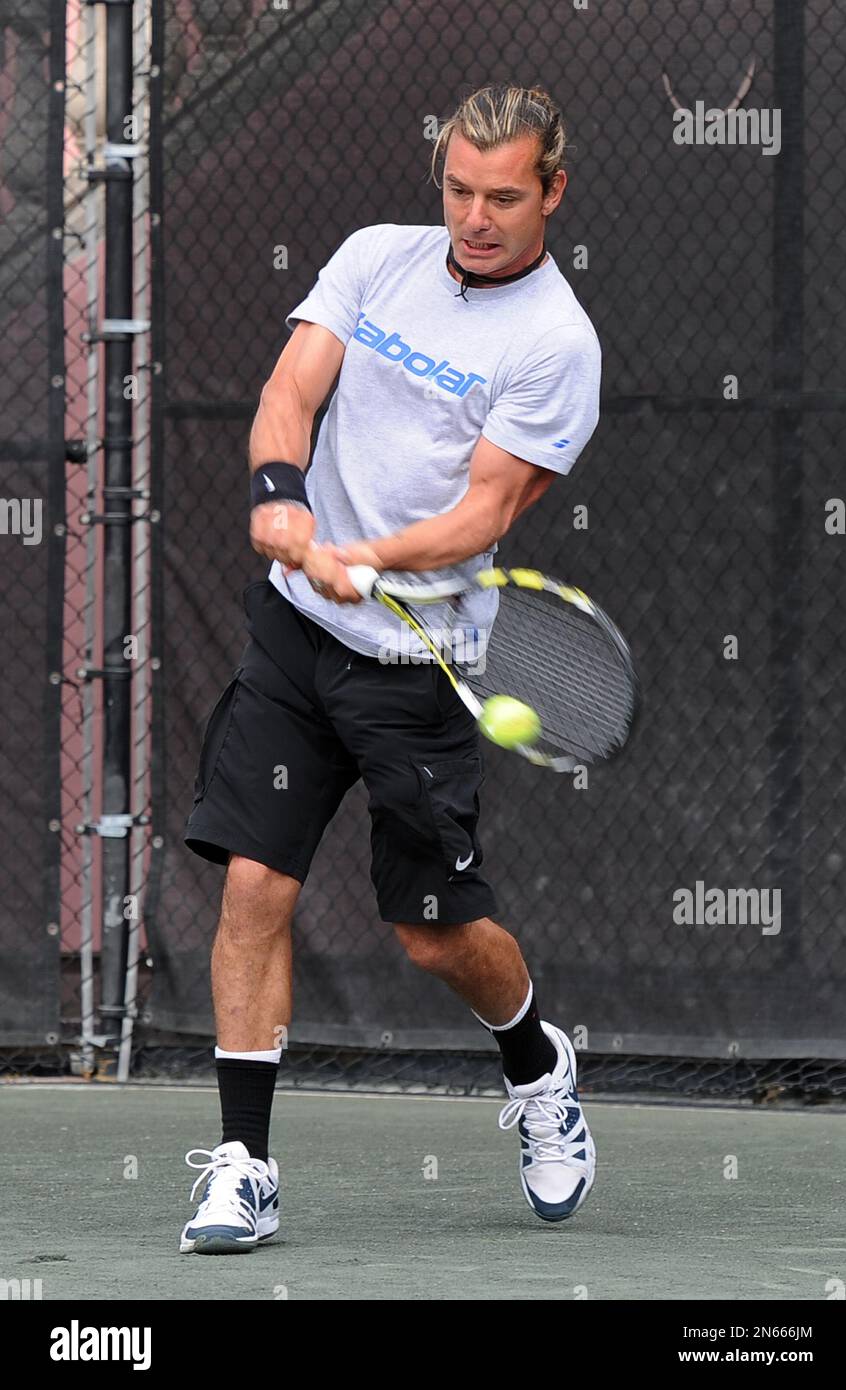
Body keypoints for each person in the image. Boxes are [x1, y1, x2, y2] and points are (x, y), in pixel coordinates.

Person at [179, 83, 601, 1254]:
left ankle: (536, 1064)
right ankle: (244, 1167)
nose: (474, 216)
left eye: (502, 196)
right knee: (256, 886)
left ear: (551, 193)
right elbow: (289, 393)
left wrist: (362, 556)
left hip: (416, 664)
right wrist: (279, 497)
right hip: (294, 645)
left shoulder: (555, 343)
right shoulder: (375, 260)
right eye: (459, 190)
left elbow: (483, 511)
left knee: (428, 928)